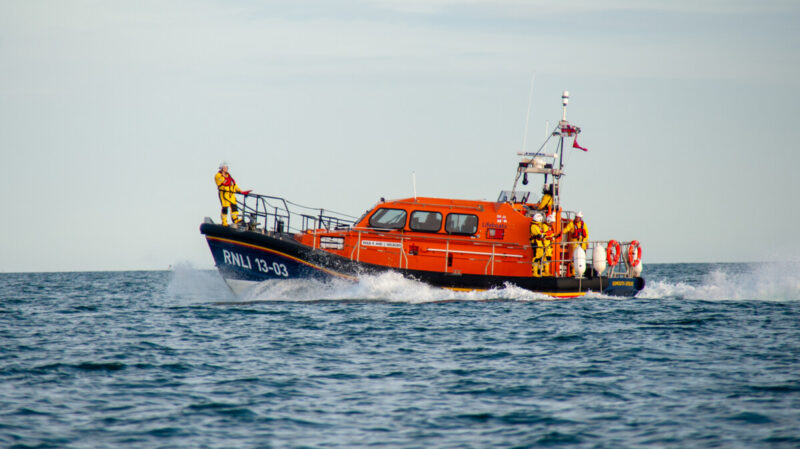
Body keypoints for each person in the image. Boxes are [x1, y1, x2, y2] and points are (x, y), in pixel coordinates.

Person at [215, 162, 250, 226]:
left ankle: (235, 219)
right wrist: (226, 179)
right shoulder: (218, 175)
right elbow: (223, 183)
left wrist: (241, 191)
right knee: (225, 207)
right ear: (222, 168)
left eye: (226, 167)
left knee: (234, 207)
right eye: (224, 167)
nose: (226, 169)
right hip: (224, 194)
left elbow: (234, 185)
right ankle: (224, 222)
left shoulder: (229, 176)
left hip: (231, 194)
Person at [529, 213, 546, 277]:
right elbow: (538, 234)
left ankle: (540, 271)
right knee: (536, 258)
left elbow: (541, 234)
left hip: (540, 243)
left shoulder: (538, 226)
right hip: (536, 243)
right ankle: (535, 272)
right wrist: (545, 234)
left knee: (541, 258)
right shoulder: (534, 226)